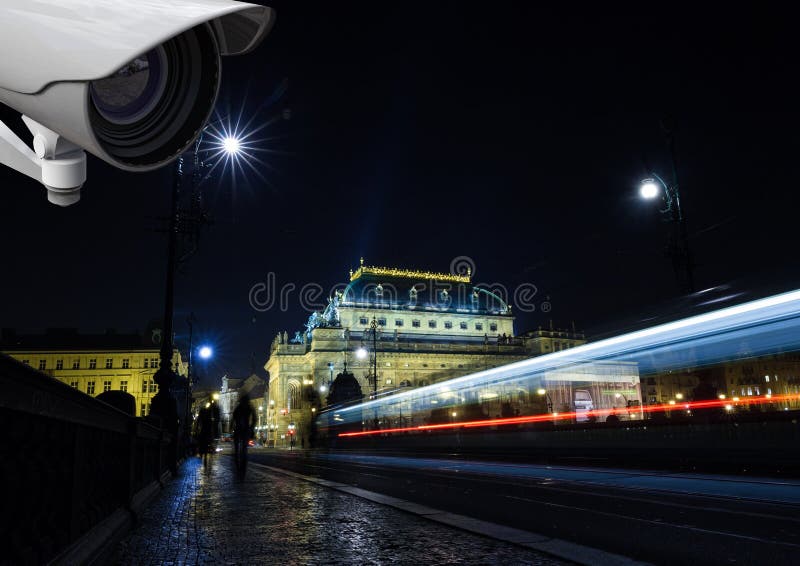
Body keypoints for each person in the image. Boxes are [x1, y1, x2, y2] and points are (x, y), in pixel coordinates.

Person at [232, 393, 256, 474]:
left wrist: (232, 427)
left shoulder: (239, 407)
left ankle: (237, 460)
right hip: (245, 429)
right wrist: (251, 427)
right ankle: (240, 460)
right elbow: (254, 419)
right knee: (243, 447)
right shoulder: (249, 407)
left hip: (240, 429)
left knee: (238, 447)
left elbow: (233, 418)